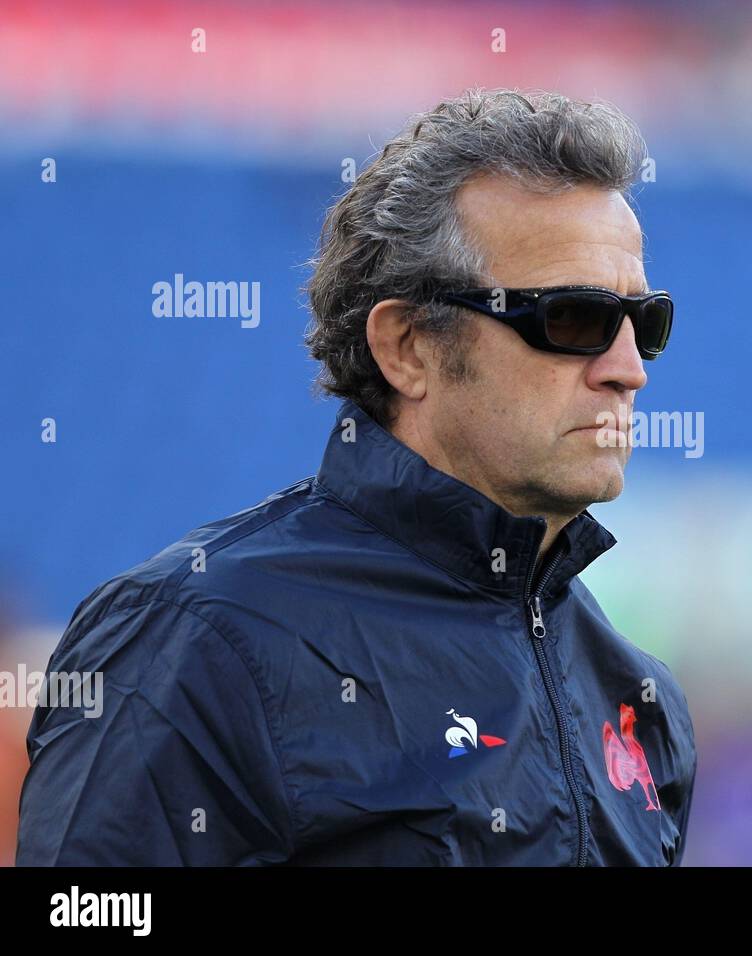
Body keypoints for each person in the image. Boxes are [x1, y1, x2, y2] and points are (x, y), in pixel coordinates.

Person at [16, 88, 695, 866]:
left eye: (645, 324)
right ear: (407, 347)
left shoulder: (638, 693)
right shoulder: (198, 638)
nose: (627, 370)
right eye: (572, 319)